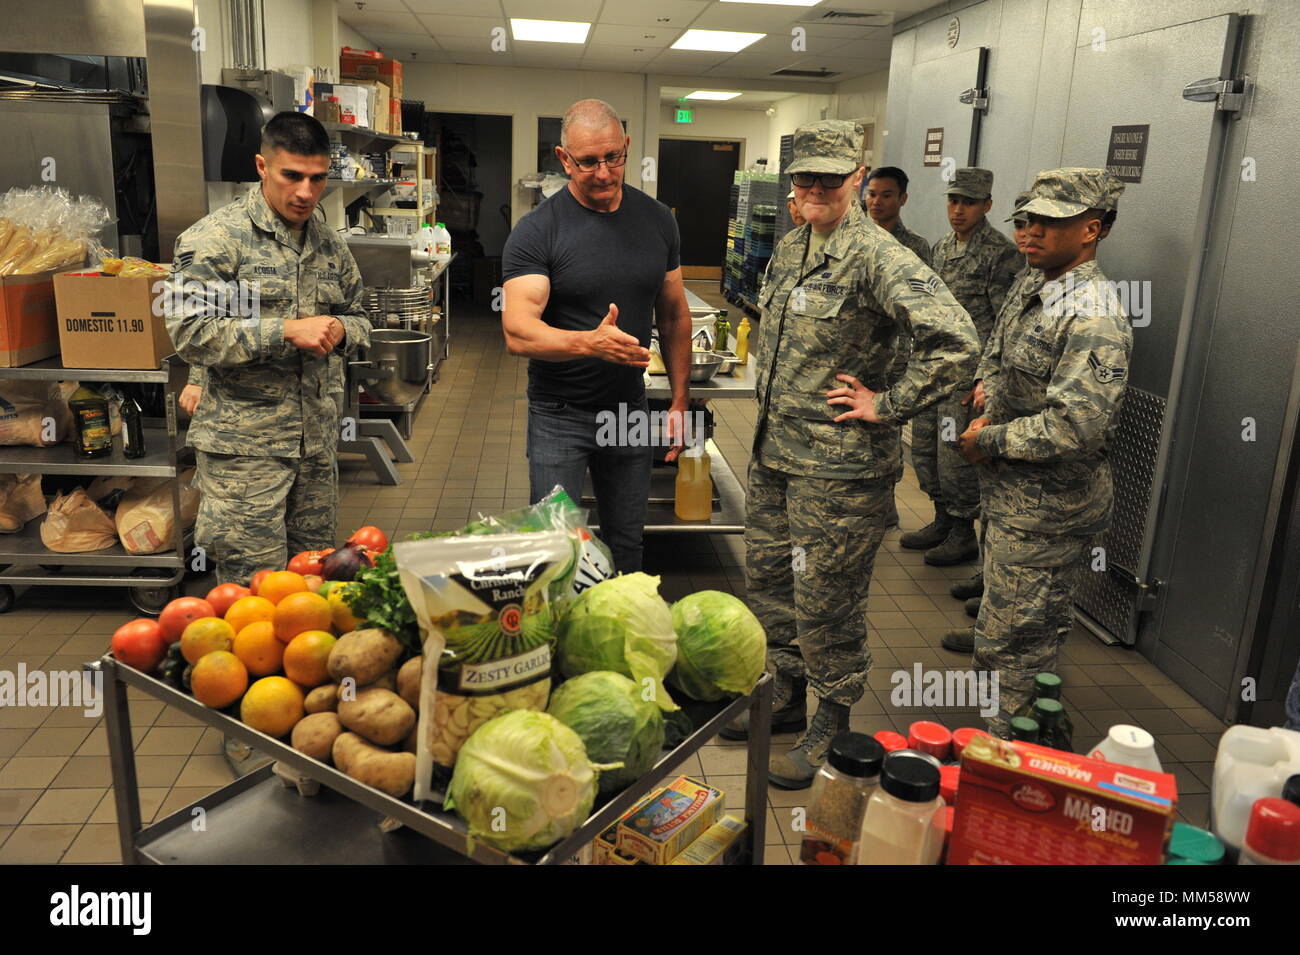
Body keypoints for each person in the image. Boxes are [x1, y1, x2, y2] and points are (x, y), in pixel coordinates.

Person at [728, 120, 980, 789]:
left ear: (857, 178)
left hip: (839, 475)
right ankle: (786, 693)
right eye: (803, 177)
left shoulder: (878, 256)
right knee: (770, 584)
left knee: (827, 602)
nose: (813, 188)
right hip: (777, 457)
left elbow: (956, 341)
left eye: (828, 178)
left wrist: (888, 402)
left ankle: (830, 721)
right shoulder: (791, 249)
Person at [164, 111, 371, 584]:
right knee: (251, 590)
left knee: (316, 582)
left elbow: (361, 318)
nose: (305, 192)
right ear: (262, 166)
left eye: (318, 179)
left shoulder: (328, 243)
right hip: (244, 454)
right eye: (291, 176)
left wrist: (341, 329)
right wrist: (284, 330)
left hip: (315, 447)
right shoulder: (214, 240)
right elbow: (190, 333)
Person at [958, 167, 1130, 736]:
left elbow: (1073, 425)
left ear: (1092, 230)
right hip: (1011, 497)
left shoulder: (1095, 311)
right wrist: (986, 393)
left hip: (1050, 510)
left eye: (1050, 222)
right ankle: (1005, 719)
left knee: (1021, 646)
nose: (1030, 231)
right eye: (1027, 218)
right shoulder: (1036, 283)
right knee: (1004, 623)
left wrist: (990, 438)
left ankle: (1015, 761)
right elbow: (997, 352)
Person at [501, 98, 692, 573]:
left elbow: (673, 314)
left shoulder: (658, 220)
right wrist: (589, 342)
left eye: (614, 157)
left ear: (627, 146)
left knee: (627, 547)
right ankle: (560, 644)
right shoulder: (537, 231)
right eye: (588, 162)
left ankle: (619, 641)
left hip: (628, 410)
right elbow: (518, 333)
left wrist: (679, 403)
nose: (604, 172)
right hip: (559, 415)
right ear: (564, 159)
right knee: (556, 551)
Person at [902, 168, 1021, 569]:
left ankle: (961, 532)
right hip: (933, 372)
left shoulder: (1001, 254)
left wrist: (987, 376)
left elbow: (1006, 322)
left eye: (968, 202)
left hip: (966, 379)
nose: (958, 210)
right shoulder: (940, 248)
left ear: (986, 206)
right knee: (923, 451)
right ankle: (940, 518)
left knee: (953, 456)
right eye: (953, 201)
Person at [863, 165, 931, 529]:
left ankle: (885, 507)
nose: (876, 202)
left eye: (886, 195)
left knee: (887, 434)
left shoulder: (916, 247)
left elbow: (922, 311)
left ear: (902, 199)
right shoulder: (850, 238)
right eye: (872, 194)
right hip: (858, 355)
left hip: (896, 361)